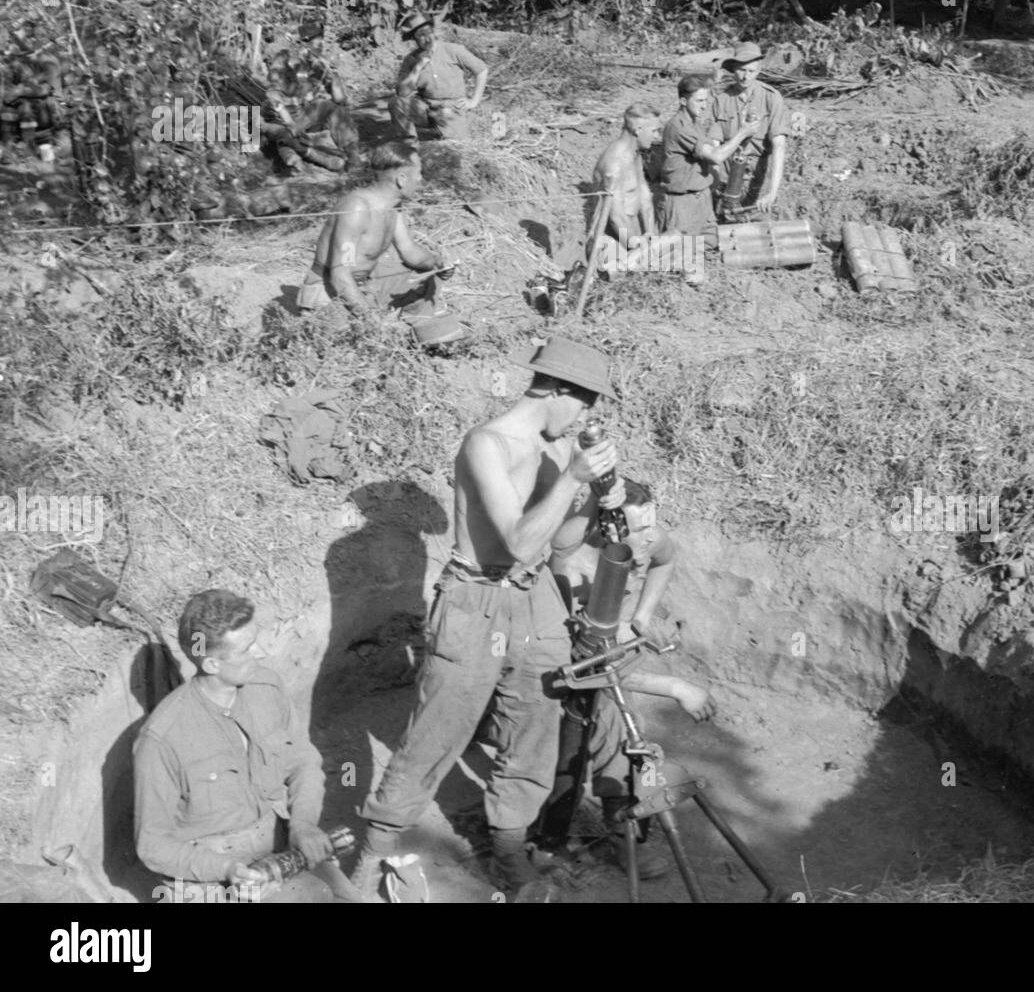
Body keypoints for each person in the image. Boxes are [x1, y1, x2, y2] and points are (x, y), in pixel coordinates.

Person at [351, 338, 627, 897]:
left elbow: (559, 546)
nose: (584, 418)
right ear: (555, 390)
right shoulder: (486, 444)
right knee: (437, 729)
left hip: (534, 597)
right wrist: (574, 478)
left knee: (537, 721)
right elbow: (519, 542)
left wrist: (595, 499)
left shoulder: (555, 453)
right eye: (583, 404)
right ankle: (376, 846)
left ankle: (508, 847)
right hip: (474, 600)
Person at [540, 478, 716, 880]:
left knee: (625, 748)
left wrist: (641, 615)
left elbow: (666, 558)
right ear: (608, 532)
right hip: (568, 670)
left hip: (606, 658)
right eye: (638, 530)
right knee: (609, 745)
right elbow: (587, 669)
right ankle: (557, 839)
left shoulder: (649, 536)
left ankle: (626, 836)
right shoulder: (573, 568)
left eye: (652, 524)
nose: (650, 535)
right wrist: (674, 687)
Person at [133, 589, 333, 903]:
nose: (263, 652)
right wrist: (227, 869)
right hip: (205, 875)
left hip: (272, 848)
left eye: (258, 639)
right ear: (212, 663)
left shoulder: (266, 687)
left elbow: (303, 761)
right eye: (248, 648)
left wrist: (303, 823)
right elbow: (153, 845)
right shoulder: (161, 740)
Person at [297, 141, 464, 346]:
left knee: (421, 279)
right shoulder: (357, 209)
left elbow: (409, 251)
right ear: (402, 179)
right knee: (351, 343)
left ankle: (420, 326)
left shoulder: (392, 208)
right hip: (329, 290)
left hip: (362, 285)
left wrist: (437, 263)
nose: (421, 179)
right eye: (418, 173)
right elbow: (340, 274)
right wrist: (370, 318)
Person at [658, 72, 759, 235]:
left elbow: (711, 153)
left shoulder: (694, 123)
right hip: (683, 204)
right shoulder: (679, 127)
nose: (704, 106)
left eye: (706, 100)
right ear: (683, 101)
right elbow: (715, 157)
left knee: (710, 248)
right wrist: (742, 133)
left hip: (701, 201)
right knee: (682, 255)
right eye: (699, 101)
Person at [260, 23, 360, 174]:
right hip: (280, 118)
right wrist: (289, 123)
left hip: (303, 116)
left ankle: (354, 158)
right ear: (304, 43)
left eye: (322, 42)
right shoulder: (285, 63)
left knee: (331, 108)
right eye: (318, 42)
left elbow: (339, 99)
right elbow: (274, 98)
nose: (321, 46)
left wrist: (334, 76)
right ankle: (302, 158)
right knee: (286, 135)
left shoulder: (316, 65)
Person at [710, 42, 792, 220]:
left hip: (757, 178)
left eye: (751, 71)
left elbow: (779, 146)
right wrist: (716, 182)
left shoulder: (771, 98)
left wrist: (772, 192)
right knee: (727, 233)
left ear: (759, 70)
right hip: (727, 177)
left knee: (758, 233)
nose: (746, 77)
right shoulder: (722, 100)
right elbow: (715, 146)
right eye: (741, 70)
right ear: (733, 69)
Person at [390, 11, 489, 143]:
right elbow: (401, 93)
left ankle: (452, 127)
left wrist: (474, 101)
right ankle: (408, 144)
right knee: (396, 103)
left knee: (452, 144)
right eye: (421, 35)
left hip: (451, 107)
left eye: (429, 32)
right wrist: (417, 68)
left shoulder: (453, 50)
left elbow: (481, 70)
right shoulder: (411, 59)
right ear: (414, 39)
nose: (428, 38)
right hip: (425, 107)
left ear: (434, 31)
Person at [592, 103, 660, 246]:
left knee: (678, 241)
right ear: (638, 130)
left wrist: (650, 233)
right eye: (654, 131)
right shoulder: (614, 162)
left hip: (633, 232)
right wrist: (634, 242)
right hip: (612, 241)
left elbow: (645, 196)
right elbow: (615, 217)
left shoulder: (635, 154)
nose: (657, 136)